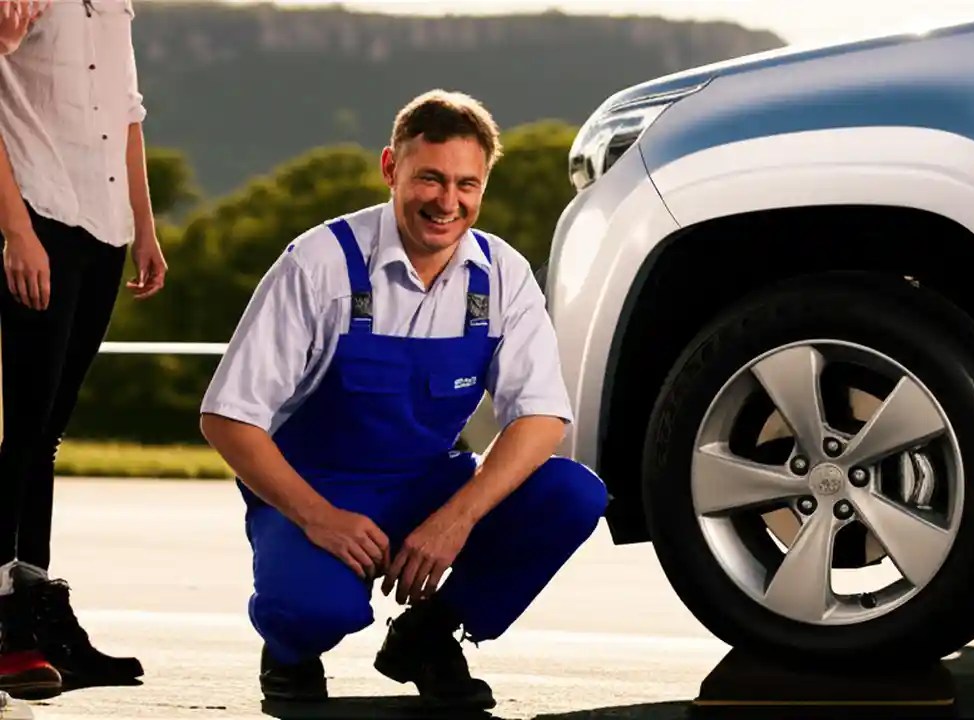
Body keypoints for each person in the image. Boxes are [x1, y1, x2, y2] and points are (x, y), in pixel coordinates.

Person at [199, 89, 608, 710]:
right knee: (315, 608)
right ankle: (288, 649)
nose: (448, 203)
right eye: (430, 180)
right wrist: (318, 517)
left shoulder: (502, 275)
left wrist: (457, 518)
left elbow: (541, 416)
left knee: (573, 493)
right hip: (316, 489)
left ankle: (427, 634)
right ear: (391, 169)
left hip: (426, 486)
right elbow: (228, 418)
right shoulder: (319, 265)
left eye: (466, 184)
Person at [0, 0, 163, 699]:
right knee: (19, 431)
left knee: (48, 434)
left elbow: (125, 113)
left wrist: (145, 227)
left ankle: (36, 620)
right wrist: (15, 232)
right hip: (38, 213)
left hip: (104, 223)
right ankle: (8, 628)